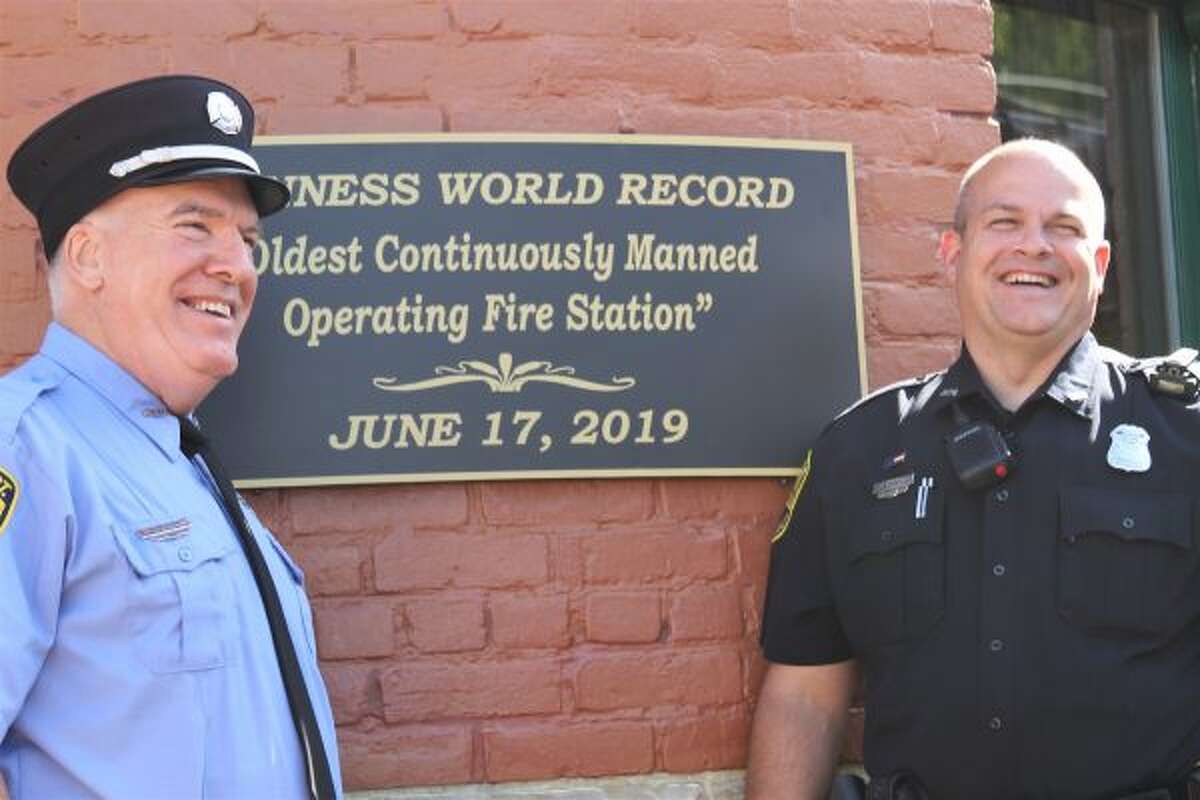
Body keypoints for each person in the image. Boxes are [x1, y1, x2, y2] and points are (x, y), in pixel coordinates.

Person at [747, 138, 1200, 799]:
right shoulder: (857, 452)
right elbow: (804, 691)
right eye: (1005, 222)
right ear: (952, 253)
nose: (1034, 246)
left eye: (1064, 227)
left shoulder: (1185, 433)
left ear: (1100, 265)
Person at [0, 75, 342, 799]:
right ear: (88, 256)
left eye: (248, 240)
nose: (238, 266)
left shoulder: (181, 462)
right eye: (195, 226)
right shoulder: (25, 448)